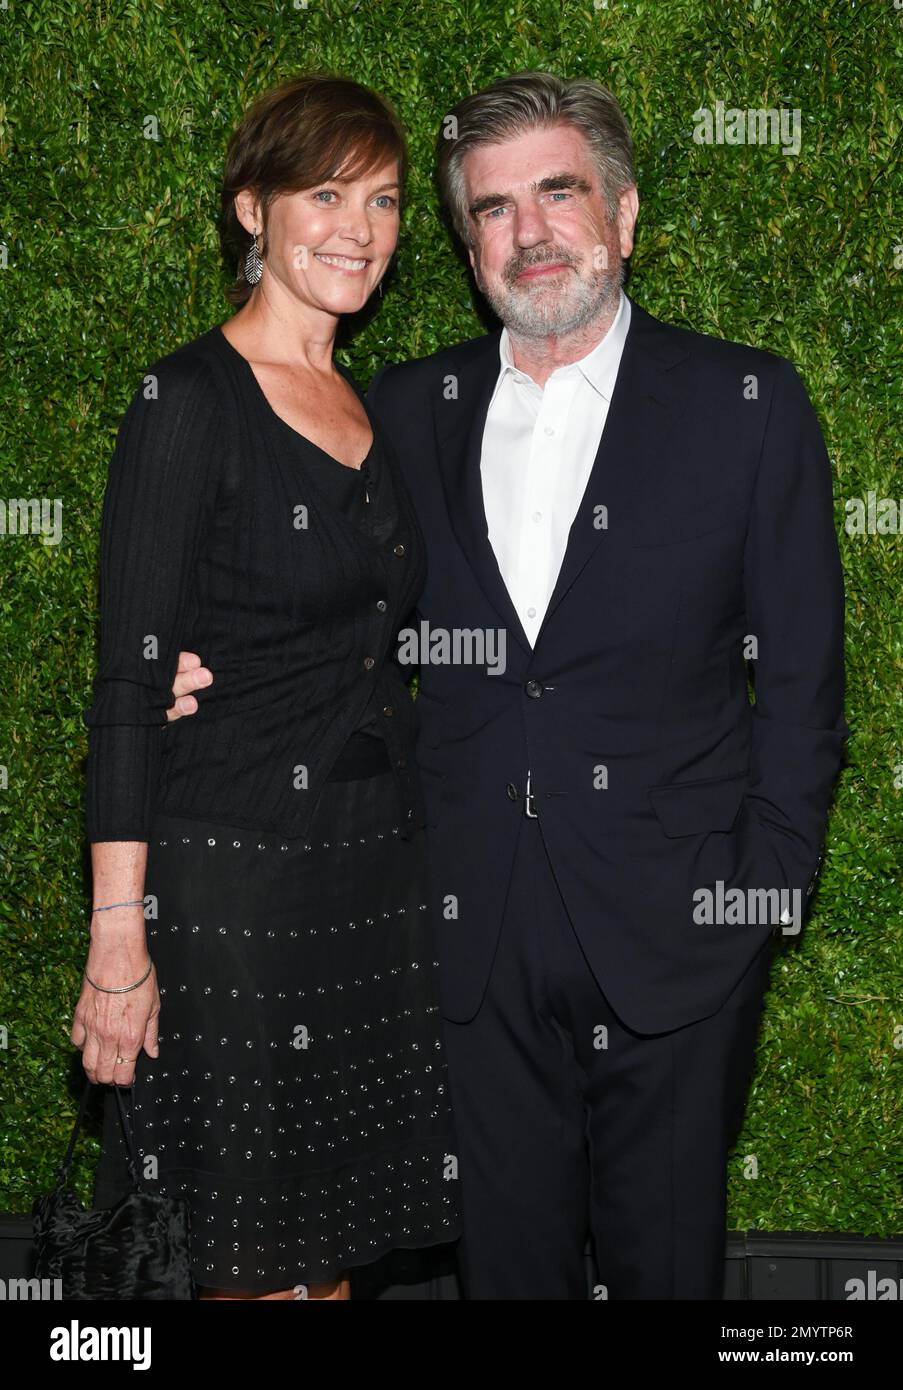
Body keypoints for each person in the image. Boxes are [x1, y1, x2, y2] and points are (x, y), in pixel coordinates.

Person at [167, 70, 848, 1299]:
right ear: (468, 242)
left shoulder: (746, 405)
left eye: (558, 192)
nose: (529, 232)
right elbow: (321, 607)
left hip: (681, 937)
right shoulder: (401, 411)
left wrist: (761, 901)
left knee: (668, 1272)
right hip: (459, 936)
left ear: (624, 214)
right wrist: (196, 669)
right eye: (491, 208)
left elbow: (804, 686)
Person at [74, 73, 460, 1301]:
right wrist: (118, 944)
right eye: (326, 192)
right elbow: (131, 684)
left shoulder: (366, 405)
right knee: (240, 1257)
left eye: (387, 198)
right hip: (229, 881)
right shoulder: (187, 400)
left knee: (331, 1254)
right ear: (254, 210)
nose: (360, 227)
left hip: (364, 878)